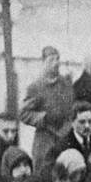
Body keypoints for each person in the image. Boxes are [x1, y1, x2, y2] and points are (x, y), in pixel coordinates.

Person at [21, 46, 76, 174]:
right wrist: (43, 118)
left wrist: (67, 128)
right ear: (43, 62)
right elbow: (23, 113)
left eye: (57, 59)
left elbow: (72, 110)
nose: (56, 63)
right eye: (51, 60)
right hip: (45, 140)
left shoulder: (67, 85)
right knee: (43, 174)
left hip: (65, 139)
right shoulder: (36, 86)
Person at [55, 101, 91, 166]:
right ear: (72, 122)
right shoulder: (62, 147)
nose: (87, 126)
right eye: (82, 122)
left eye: (90, 121)